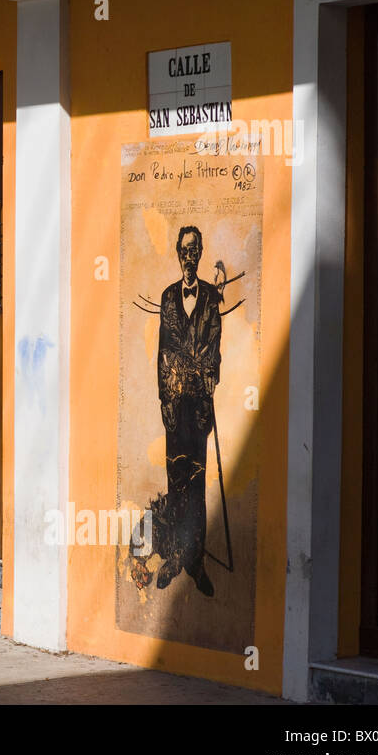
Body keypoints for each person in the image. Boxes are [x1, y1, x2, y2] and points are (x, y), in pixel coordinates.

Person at [154, 225, 220, 597]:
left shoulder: (210, 298)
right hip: (175, 404)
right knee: (175, 477)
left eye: (195, 249)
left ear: (201, 251)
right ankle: (176, 555)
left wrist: (210, 376)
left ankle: (196, 561)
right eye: (184, 250)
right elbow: (163, 350)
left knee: (197, 481)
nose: (189, 256)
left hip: (198, 407)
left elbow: (215, 345)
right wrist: (164, 398)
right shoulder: (167, 297)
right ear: (178, 253)